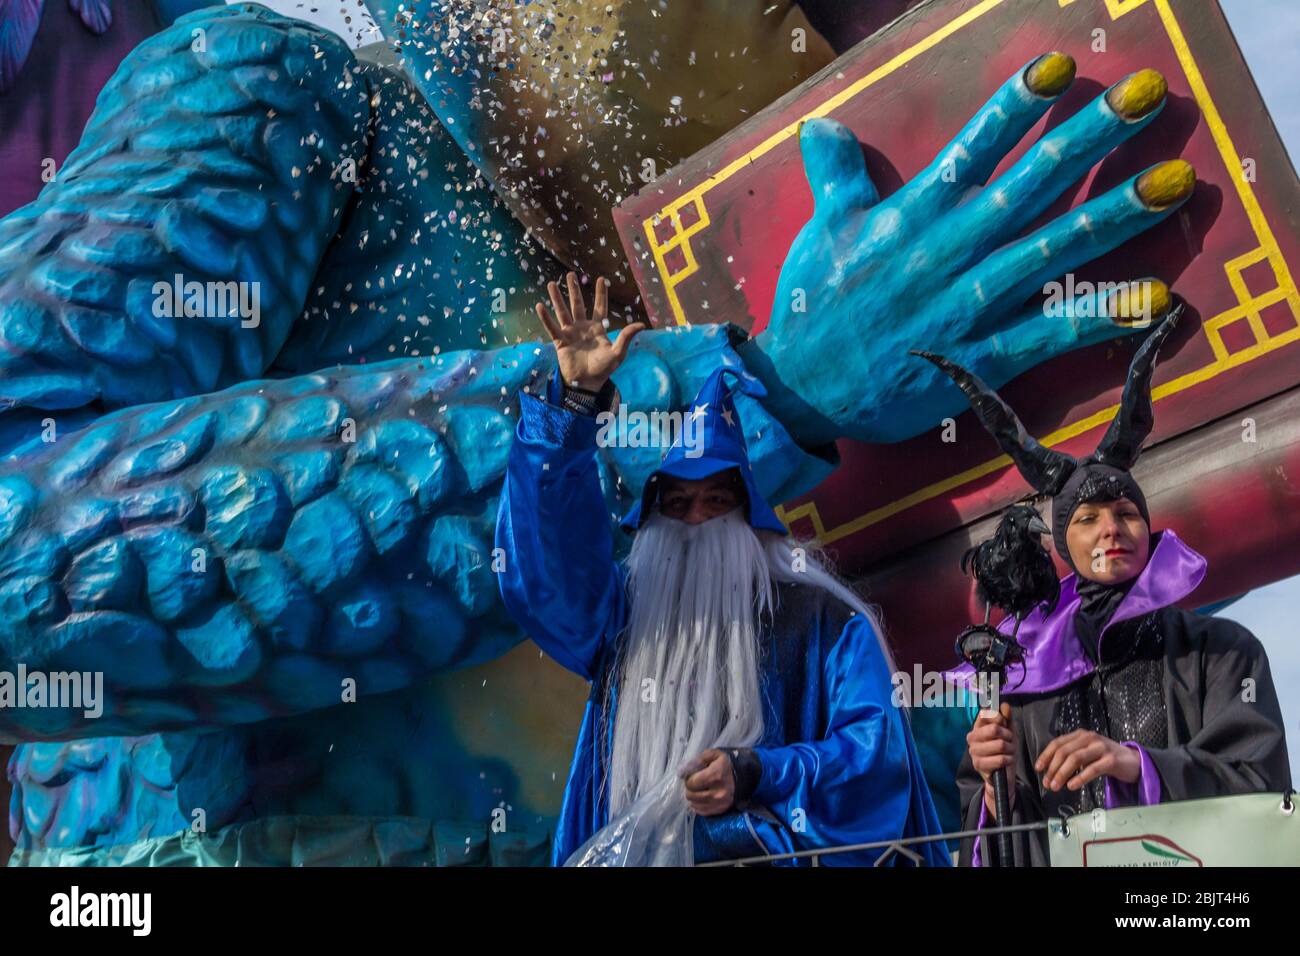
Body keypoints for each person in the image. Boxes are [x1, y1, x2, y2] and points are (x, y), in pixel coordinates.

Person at [496, 274, 949, 866]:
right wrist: (578, 403)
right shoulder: (623, 622)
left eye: (716, 502)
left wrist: (757, 772)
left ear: (749, 518)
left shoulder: (826, 623)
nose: (696, 523)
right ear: (651, 519)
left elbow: (873, 757)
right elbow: (545, 566)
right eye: (677, 505)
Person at [923, 308, 1292, 866]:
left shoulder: (1221, 652)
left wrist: (1134, 765)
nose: (1111, 529)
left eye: (1125, 512)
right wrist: (994, 788)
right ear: (1064, 547)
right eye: (1087, 519)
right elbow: (1003, 844)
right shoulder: (1022, 684)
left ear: (1150, 528)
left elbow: (1265, 791)